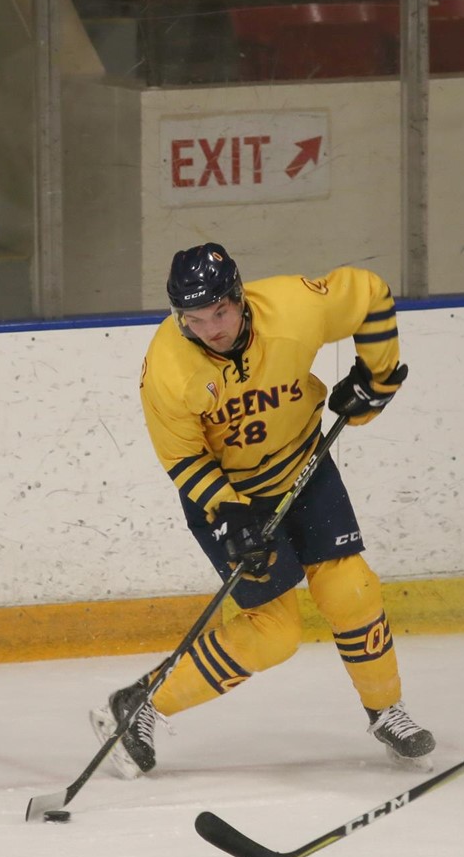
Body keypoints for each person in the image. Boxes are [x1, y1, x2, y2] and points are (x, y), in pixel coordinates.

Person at [90, 243, 436, 779]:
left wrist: (379, 377)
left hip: (304, 464)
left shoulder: (293, 307)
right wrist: (230, 514)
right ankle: (141, 705)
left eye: (221, 312)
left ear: (239, 296)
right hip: (228, 496)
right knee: (274, 634)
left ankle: (385, 710)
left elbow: (369, 294)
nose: (212, 329)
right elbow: (182, 458)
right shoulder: (167, 368)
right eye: (196, 319)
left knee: (352, 589)